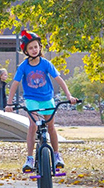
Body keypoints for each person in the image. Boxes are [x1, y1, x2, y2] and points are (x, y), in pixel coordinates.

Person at [5, 29, 77, 172]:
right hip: (32, 100)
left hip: (47, 99)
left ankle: (57, 155)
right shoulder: (23, 67)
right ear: (25, 51)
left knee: (51, 127)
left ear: (40, 48)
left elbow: (59, 80)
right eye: (30, 48)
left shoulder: (46, 64)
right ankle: (30, 158)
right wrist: (9, 103)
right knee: (33, 126)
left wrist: (69, 96)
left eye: (36, 47)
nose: (33, 50)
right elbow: (14, 84)